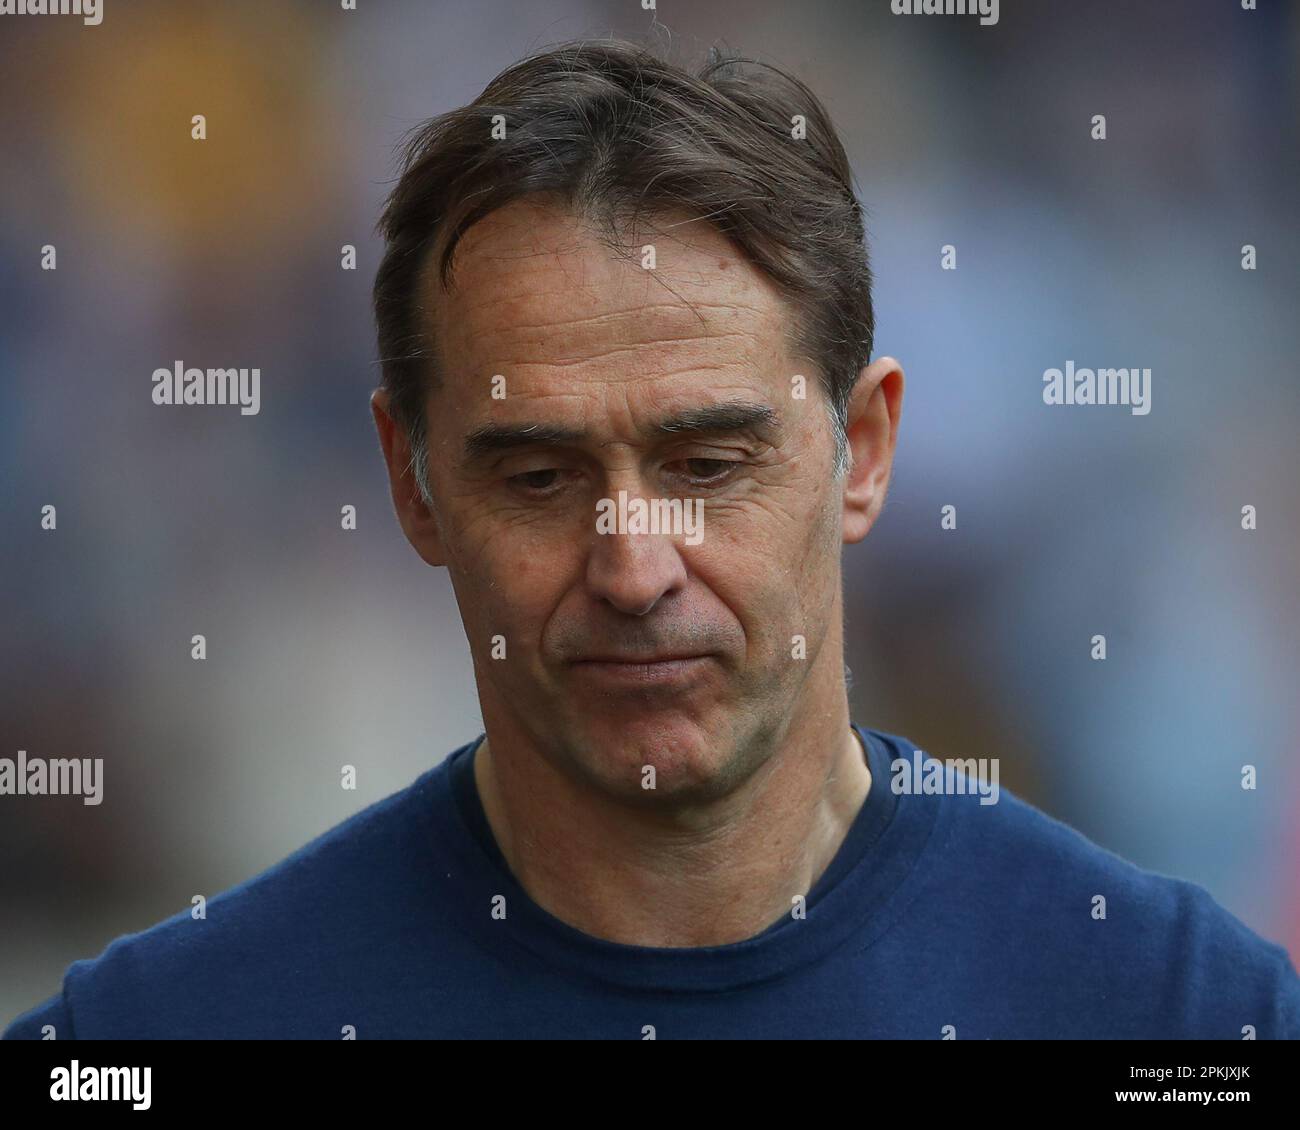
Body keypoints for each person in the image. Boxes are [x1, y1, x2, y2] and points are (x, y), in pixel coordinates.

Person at [6, 37, 1297, 1040]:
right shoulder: (173, 1034)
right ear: (410, 482)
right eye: (538, 475)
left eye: (708, 463)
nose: (633, 566)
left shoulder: (1174, 1015)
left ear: (866, 451)